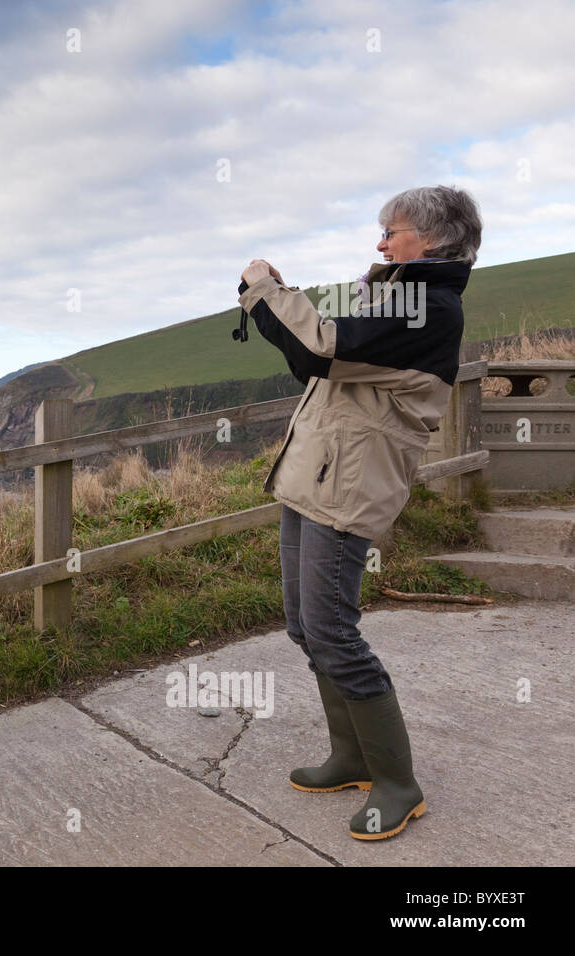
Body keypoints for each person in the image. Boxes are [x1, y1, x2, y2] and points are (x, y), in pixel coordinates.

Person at [237, 184, 482, 840]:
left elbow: (317, 345)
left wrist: (262, 287)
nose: (380, 242)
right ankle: (351, 757)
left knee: (335, 635)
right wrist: (280, 302)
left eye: (392, 231)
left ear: (432, 240)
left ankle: (399, 784)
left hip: (347, 491)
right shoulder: (395, 298)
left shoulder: (428, 308)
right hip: (312, 480)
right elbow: (314, 360)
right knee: (304, 628)